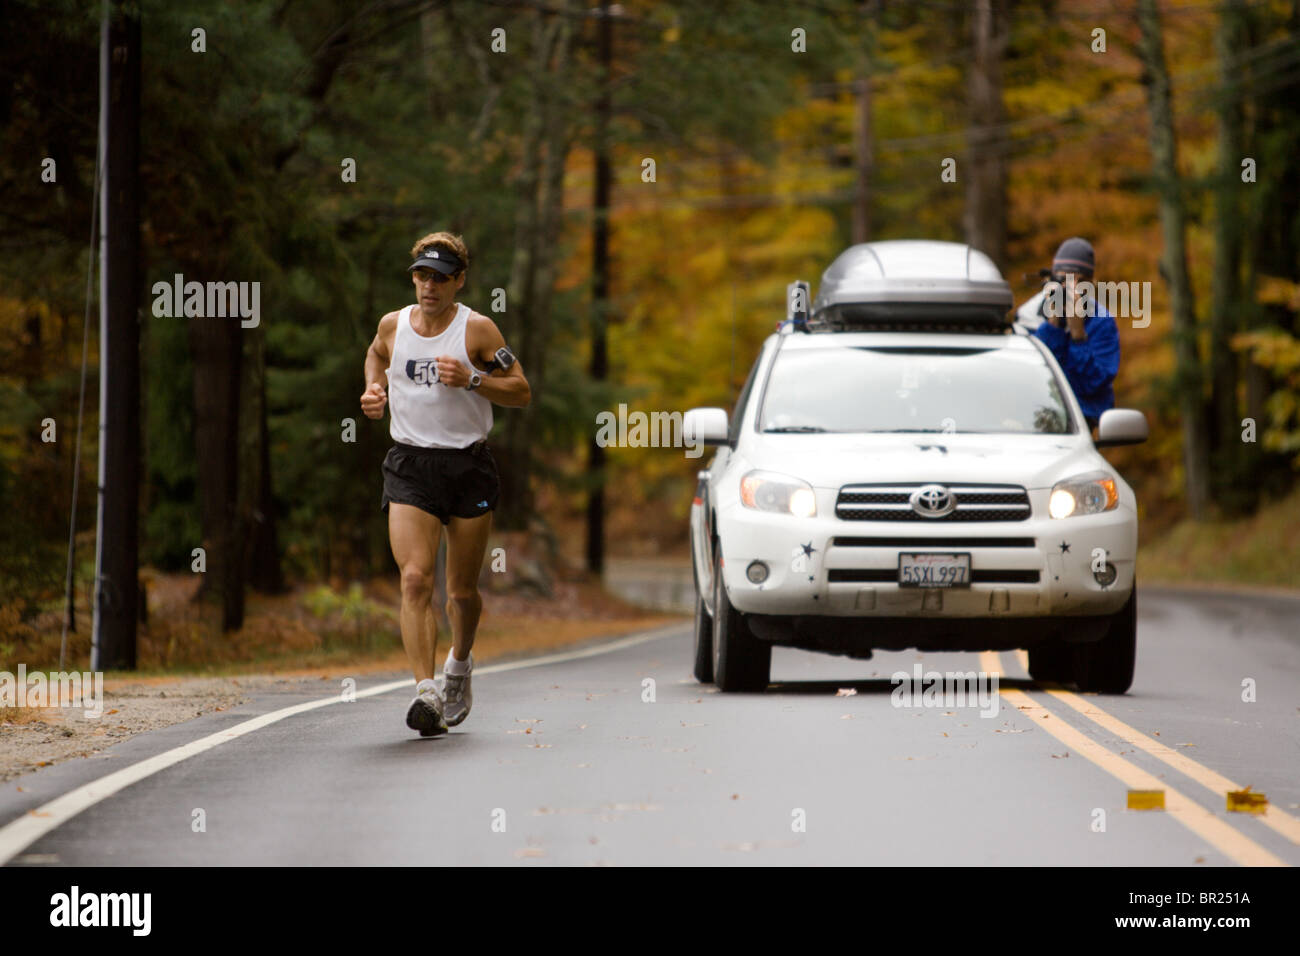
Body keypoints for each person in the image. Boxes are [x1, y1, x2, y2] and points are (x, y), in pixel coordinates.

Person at [360, 232, 531, 736]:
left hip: (467, 466)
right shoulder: (393, 325)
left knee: (461, 591)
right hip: (410, 464)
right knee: (415, 579)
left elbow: (521, 390)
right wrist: (373, 389)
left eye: (439, 277)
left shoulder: (478, 331)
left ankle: (459, 664)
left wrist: (475, 380)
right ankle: (426, 692)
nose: (428, 285)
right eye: (420, 275)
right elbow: (375, 354)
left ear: (459, 280)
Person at [1031, 237, 1120, 431]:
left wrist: (1078, 335)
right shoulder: (1031, 316)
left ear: (1091, 284)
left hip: (1082, 421)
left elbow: (1091, 385)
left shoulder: (1101, 322)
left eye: (1078, 282)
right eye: (1063, 280)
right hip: (1038, 417)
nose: (1069, 290)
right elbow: (1034, 377)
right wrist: (1052, 324)